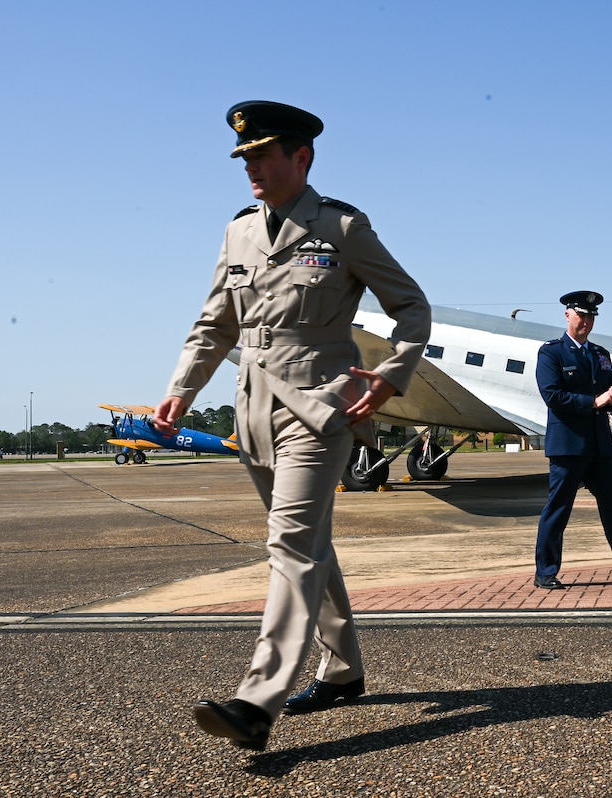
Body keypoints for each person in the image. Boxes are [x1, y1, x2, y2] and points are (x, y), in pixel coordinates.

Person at [152, 101, 431, 751]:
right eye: (245, 157)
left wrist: (392, 374)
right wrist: (180, 392)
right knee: (308, 546)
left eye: (263, 155)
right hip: (253, 413)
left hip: (319, 408)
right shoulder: (238, 232)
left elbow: (411, 306)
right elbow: (215, 324)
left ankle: (257, 699)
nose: (251, 166)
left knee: (290, 546)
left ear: (301, 157)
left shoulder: (342, 226)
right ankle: (343, 670)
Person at [532, 291, 612, 590]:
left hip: (600, 446)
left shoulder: (600, 354)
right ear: (568, 315)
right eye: (581, 315)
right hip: (568, 445)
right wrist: (595, 401)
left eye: (591, 317)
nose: (587, 322)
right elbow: (552, 396)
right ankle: (546, 572)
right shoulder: (551, 352)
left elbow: (608, 398)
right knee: (558, 509)